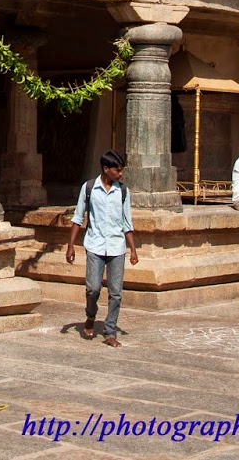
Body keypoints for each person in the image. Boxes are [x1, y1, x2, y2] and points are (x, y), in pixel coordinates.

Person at [66, 149, 140, 348]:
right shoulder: (89, 188)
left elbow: (127, 223)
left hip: (117, 247)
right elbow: (78, 218)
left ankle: (110, 331)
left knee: (116, 292)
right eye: (117, 170)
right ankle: (90, 315)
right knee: (93, 289)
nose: (120, 174)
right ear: (106, 169)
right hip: (95, 244)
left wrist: (133, 249)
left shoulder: (122, 192)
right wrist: (71, 246)